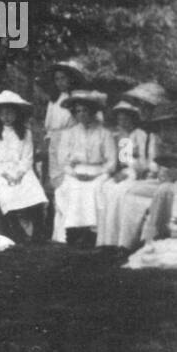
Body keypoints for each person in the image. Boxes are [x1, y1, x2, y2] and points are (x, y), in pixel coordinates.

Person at [0, 90, 47, 243]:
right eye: (3, 114)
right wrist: (6, 174)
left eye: (10, 113)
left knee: (32, 186)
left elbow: (27, 158)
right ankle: (15, 230)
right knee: (5, 189)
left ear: (17, 114)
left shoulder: (26, 133)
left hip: (21, 170)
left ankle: (38, 231)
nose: (7, 118)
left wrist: (20, 173)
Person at [52, 90, 115, 246]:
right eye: (78, 111)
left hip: (98, 171)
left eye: (85, 110)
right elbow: (63, 160)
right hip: (76, 172)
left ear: (92, 112)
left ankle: (92, 232)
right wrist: (73, 173)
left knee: (96, 188)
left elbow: (111, 161)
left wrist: (98, 174)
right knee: (71, 188)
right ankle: (72, 230)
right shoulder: (69, 133)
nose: (81, 114)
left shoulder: (104, 133)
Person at [96, 101, 154, 251]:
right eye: (120, 119)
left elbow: (144, 163)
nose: (122, 122)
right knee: (106, 187)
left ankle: (121, 240)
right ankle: (106, 239)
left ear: (133, 119)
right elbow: (122, 161)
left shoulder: (141, 135)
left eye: (126, 119)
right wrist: (120, 171)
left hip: (139, 173)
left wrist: (132, 160)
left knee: (119, 192)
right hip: (127, 172)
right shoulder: (123, 137)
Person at [39, 61, 87, 199]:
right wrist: (47, 145)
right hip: (55, 141)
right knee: (55, 177)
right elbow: (49, 127)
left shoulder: (77, 98)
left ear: (70, 79)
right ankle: (53, 213)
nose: (60, 82)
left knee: (70, 176)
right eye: (57, 79)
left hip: (72, 139)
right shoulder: (54, 100)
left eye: (63, 78)